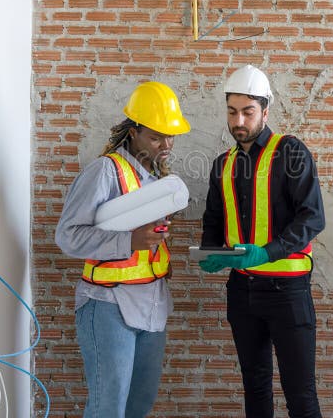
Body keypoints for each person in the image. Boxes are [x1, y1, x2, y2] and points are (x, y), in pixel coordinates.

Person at [55, 81, 190, 418]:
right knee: (108, 409)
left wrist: (159, 259)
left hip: (151, 304)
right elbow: (68, 236)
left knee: (138, 406)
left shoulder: (153, 179)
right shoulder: (105, 171)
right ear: (133, 131)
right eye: (156, 136)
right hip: (108, 304)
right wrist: (129, 242)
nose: (166, 145)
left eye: (170, 136)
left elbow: (144, 241)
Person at [199, 65, 325, 418]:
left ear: (265, 111)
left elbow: (312, 217)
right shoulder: (222, 164)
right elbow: (213, 219)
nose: (239, 120)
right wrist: (212, 252)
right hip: (242, 293)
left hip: (288, 293)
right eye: (232, 111)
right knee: (255, 387)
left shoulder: (291, 152)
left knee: (300, 394)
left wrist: (265, 252)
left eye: (248, 111)